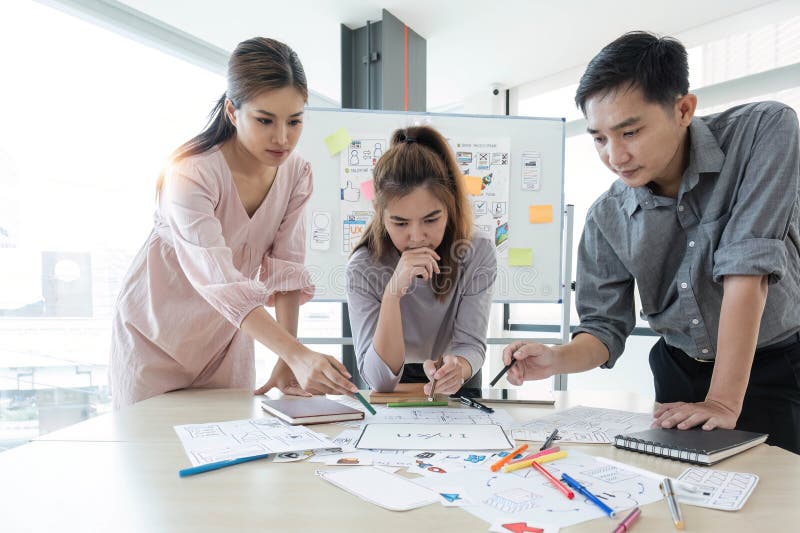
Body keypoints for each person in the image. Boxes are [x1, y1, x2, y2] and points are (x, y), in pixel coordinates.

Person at [503, 31, 800, 454]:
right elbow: (604, 329)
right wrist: (556, 358)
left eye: (630, 132)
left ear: (683, 109)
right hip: (678, 371)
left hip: (775, 365)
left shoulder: (762, 131)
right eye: (599, 138)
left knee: (778, 488)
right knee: (682, 485)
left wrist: (721, 402)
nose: (615, 157)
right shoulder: (606, 216)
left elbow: (746, 271)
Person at [110, 37, 357, 408]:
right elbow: (220, 280)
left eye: (294, 121)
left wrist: (286, 358)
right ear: (232, 110)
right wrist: (297, 354)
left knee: (232, 440)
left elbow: (286, 269)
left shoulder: (297, 173)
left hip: (227, 339)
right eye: (265, 120)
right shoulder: (191, 174)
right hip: (154, 338)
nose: (282, 137)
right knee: (152, 442)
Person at [347, 126, 497, 394]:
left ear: (449, 207)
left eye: (431, 219)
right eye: (400, 223)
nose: (417, 237)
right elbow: (379, 380)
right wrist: (392, 293)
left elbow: (470, 345)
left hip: (455, 372)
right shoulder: (363, 266)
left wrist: (458, 368)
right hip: (393, 376)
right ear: (379, 212)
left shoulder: (477, 250)